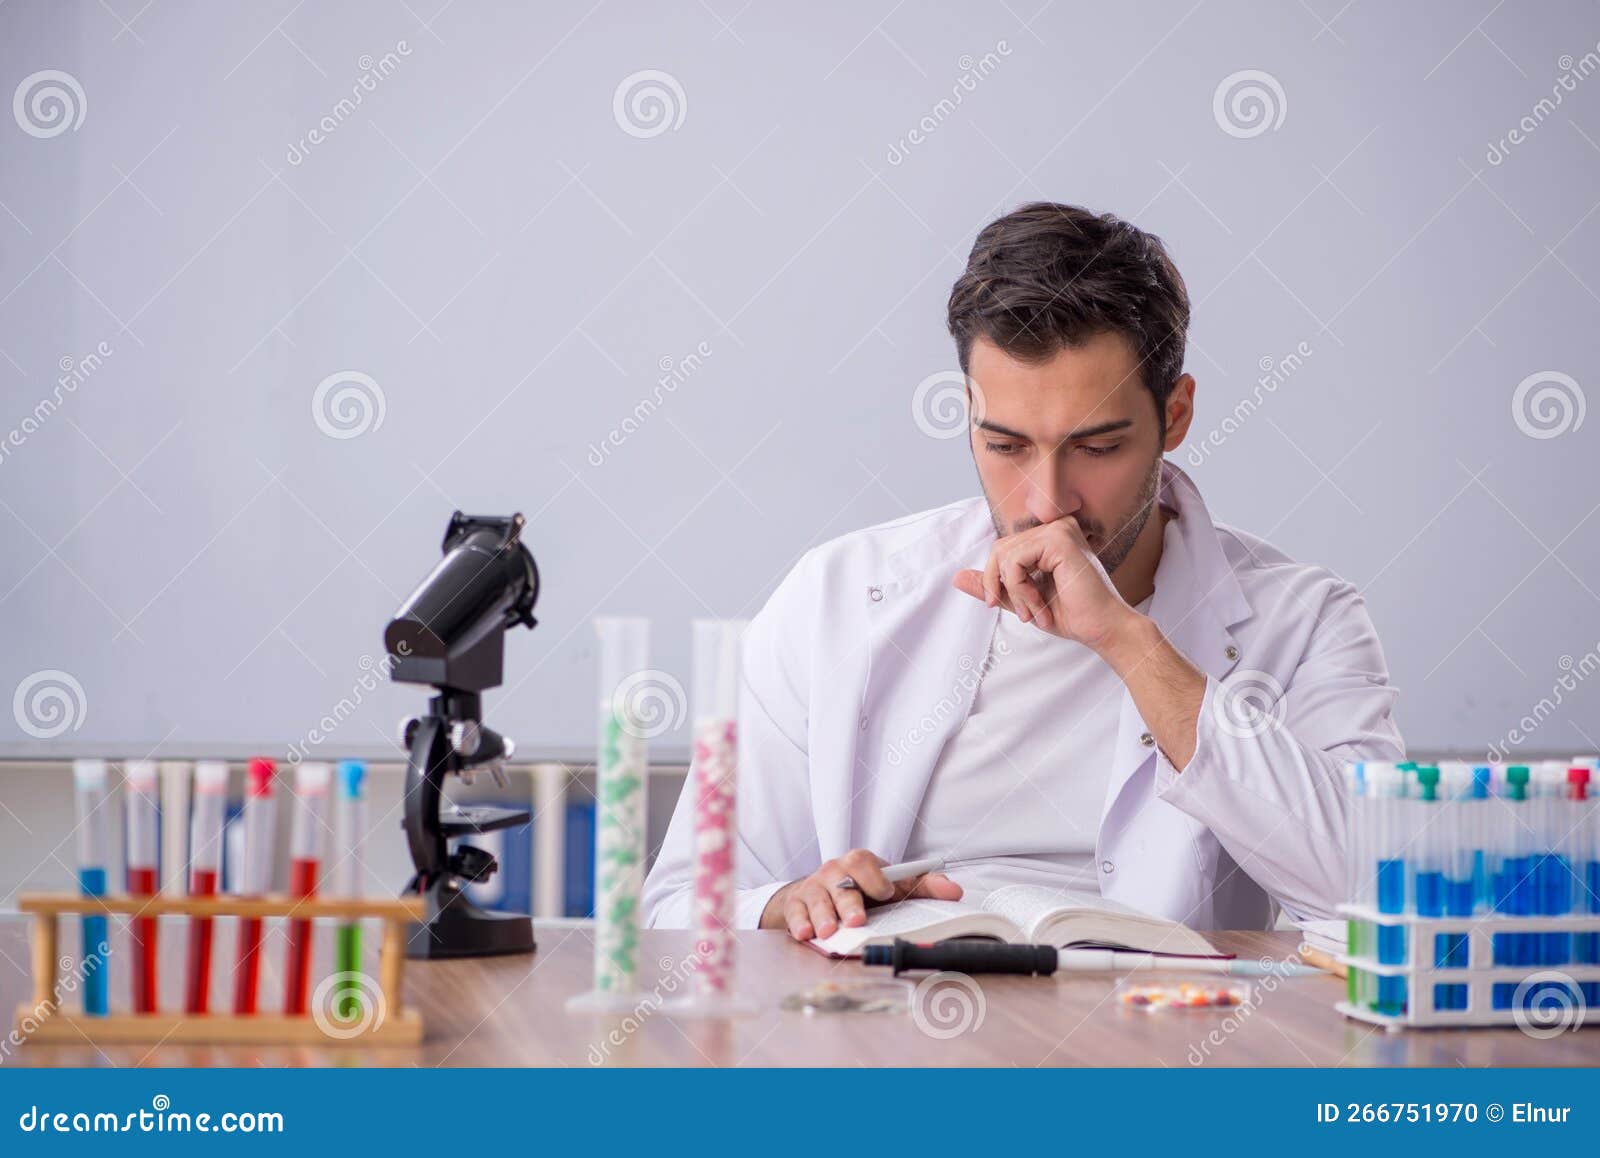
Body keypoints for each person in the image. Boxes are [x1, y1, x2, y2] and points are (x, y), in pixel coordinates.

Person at [641, 201, 1403, 943]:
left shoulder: (1306, 619)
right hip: (898, 1016)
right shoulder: (836, 595)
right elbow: (676, 908)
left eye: (1097, 447)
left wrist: (1130, 644)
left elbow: (1375, 892)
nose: (1046, 503)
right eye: (1006, 446)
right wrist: (788, 906)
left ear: (1174, 415)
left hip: (1158, 1025)